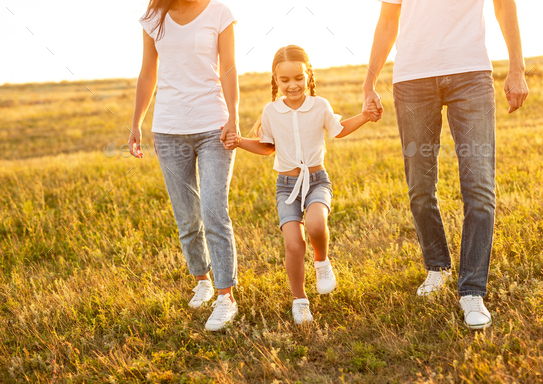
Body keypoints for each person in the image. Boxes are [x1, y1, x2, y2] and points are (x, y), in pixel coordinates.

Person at [363, 0, 529, 329]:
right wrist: (369, 83)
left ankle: (471, 291)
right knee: (420, 188)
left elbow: (504, 6)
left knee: (479, 187)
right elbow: (387, 21)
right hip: (412, 81)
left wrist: (517, 68)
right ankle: (437, 267)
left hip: (471, 75)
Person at [224, 45, 381, 324]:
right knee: (294, 244)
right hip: (286, 187)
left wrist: (366, 116)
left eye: (298, 77)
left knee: (316, 225)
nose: (292, 85)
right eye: (284, 80)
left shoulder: (320, 106)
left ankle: (322, 262)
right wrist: (239, 142)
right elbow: (267, 147)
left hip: (317, 180)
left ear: (308, 74)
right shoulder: (271, 111)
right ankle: (300, 300)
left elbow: (340, 129)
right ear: (275, 79)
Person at [129, 0, 241, 332]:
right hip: (168, 129)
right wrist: (136, 122)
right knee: (187, 216)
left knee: (213, 210)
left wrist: (234, 116)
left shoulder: (220, 12)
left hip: (213, 128)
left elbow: (229, 68)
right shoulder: (153, 17)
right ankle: (202, 280)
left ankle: (226, 298)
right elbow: (148, 72)